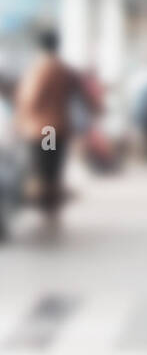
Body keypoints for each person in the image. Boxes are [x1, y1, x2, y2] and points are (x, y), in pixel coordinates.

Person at [13, 28, 97, 231]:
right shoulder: (65, 69)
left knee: (44, 169)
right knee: (52, 170)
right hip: (58, 127)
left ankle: (47, 212)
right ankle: (50, 212)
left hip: (43, 128)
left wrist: (19, 121)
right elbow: (86, 97)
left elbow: (30, 99)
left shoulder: (41, 68)